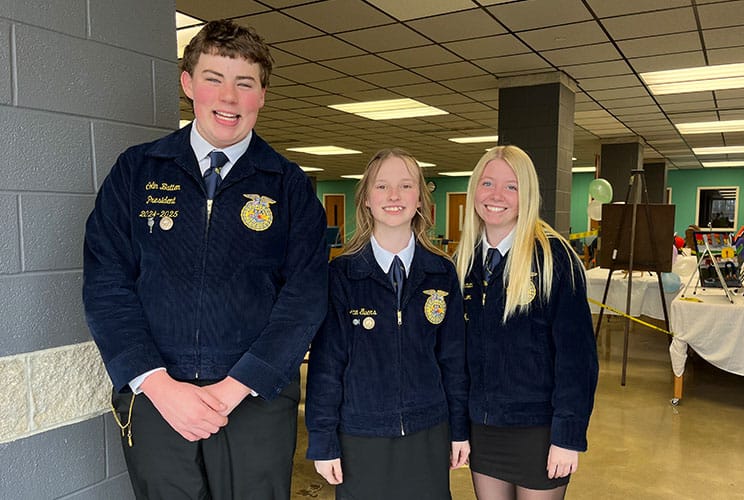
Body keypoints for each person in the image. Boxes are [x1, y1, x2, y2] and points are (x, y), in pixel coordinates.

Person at [82, 20, 328, 499]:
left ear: (262, 95)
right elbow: (106, 284)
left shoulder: (289, 186)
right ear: (188, 84)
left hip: (254, 399)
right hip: (157, 396)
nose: (229, 98)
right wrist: (157, 383)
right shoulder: (137, 171)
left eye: (245, 83)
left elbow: (304, 299)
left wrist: (235, 387)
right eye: (214, 78)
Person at [305, 148, 470, 500]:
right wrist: (323, 440)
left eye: (405, 186)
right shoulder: (342, 276)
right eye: (382, 187)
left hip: (429, 430)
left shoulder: (441, 273)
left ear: (421, 200)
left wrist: (459, 429)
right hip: (360, 433)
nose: (394, 196)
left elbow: (454, 361)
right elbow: (326, 367)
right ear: (365, 198)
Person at [455, 145, 598, 500]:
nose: (496, 195)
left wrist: (567, 436)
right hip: (484, 428)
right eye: (487, 183)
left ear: (527, 194)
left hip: (539, 429)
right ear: (475, 189)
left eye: (511, 186)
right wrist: (458, 427)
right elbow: (456, 359)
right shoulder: (462, 263)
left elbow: (577, 360)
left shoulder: (555, 259)